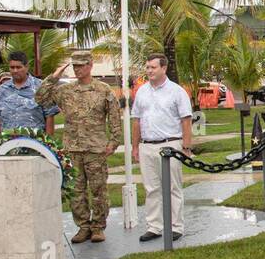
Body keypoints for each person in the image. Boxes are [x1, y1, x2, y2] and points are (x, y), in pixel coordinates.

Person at [36, 49, 122, 243]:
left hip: (95, 149)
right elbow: (40, 98)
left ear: (90, 65)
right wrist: (54, 77)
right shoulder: (65, 91)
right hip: (72, 148)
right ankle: (83, 226)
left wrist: (113, 142)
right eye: (74, 66)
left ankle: (98, 226)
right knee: (76, 191)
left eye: (81, 65)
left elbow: (115, 118)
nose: (77, 69)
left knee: (98, 190)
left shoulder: (103, 90)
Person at [132, 54, 195, 242]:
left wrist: (186, 146)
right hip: (147, 146)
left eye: (153, 67)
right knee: (151, 188)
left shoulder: (177, 92)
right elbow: (136, 120)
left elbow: (186, 120)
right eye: (148, 67)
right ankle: (154, 227)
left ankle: (176, 226)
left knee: (173, 187)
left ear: (164, 68)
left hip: (170, 144)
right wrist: (135, 146)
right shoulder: (142, 91)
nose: (149, 71)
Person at [0, 50, 58, 135]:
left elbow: (49, 116)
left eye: (18, 67)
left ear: (27, 67)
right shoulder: (1, 90)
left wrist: (48, 143)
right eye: (12, 67)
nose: (15, 70)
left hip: (35, 142)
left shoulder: (41, 87)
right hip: (8, 143)